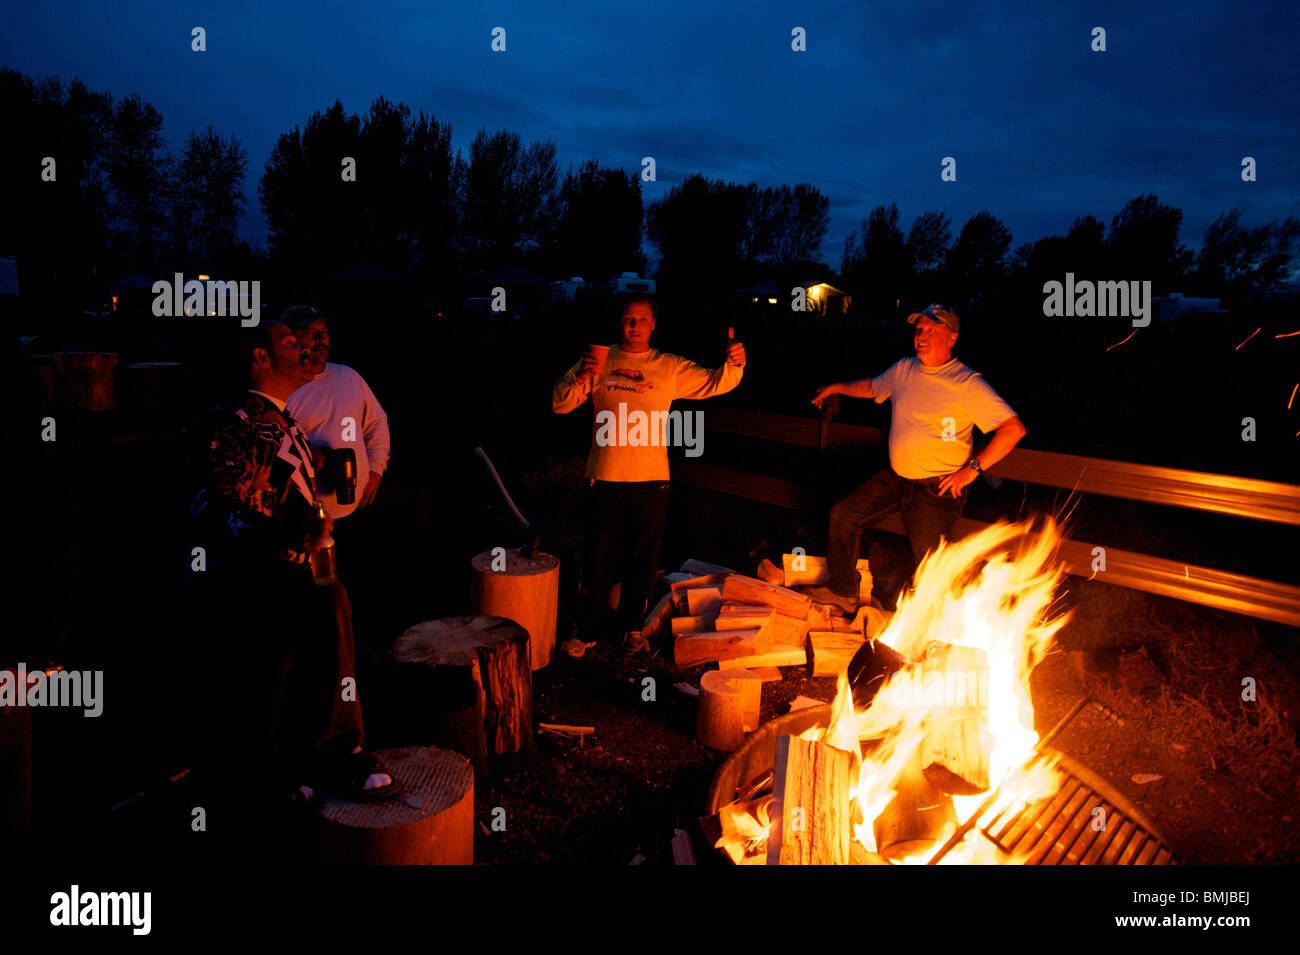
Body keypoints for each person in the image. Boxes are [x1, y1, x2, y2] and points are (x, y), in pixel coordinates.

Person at [187, 319, 396, 818]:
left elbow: (272, 478)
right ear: (260, 357)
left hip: (301, 567)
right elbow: (213, 508)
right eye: (288, 342)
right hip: (262, 573)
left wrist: (315, 468)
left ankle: (324, 755)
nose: (303, 347)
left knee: (316, 652)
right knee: (269, 673)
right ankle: (287, 772)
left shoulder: (279, 419)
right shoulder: (233, 422)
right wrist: (290, 535)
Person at [552, 296, 746, 654]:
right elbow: (560, 403)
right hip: (605, 476)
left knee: (643, 560)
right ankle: (587, 630)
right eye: (629, 319)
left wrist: (734, 364)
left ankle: (632, 629)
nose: (635, 326)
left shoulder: (669, 367)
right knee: (598, 557)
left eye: (642, 320)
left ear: (653, 324)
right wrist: (582, 375)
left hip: (652, 480)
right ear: (620, 322)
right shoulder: (598, 358)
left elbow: (716, 382)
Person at [804, 303, 1026, 614]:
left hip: (937, 489)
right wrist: (837, 387)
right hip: (897, 478)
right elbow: (872, 387)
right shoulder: (904, 369)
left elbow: (1012, 429)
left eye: (931, 330)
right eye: (919, 329)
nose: (921, 335)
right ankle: (843, 590)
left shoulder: (966, 383)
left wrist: (973, 470)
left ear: (952, 337)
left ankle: (938, 631)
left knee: (930, 567)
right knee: (843, 515)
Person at [283, 307, 391, 521]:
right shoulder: (284, 387)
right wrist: (309, 457)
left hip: (358, 503)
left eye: (324, 332)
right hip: (308, 517)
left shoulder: (348, 376)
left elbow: (376, 423)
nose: (321, 339)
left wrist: (376, 469)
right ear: (290, 339)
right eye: (309, 333)